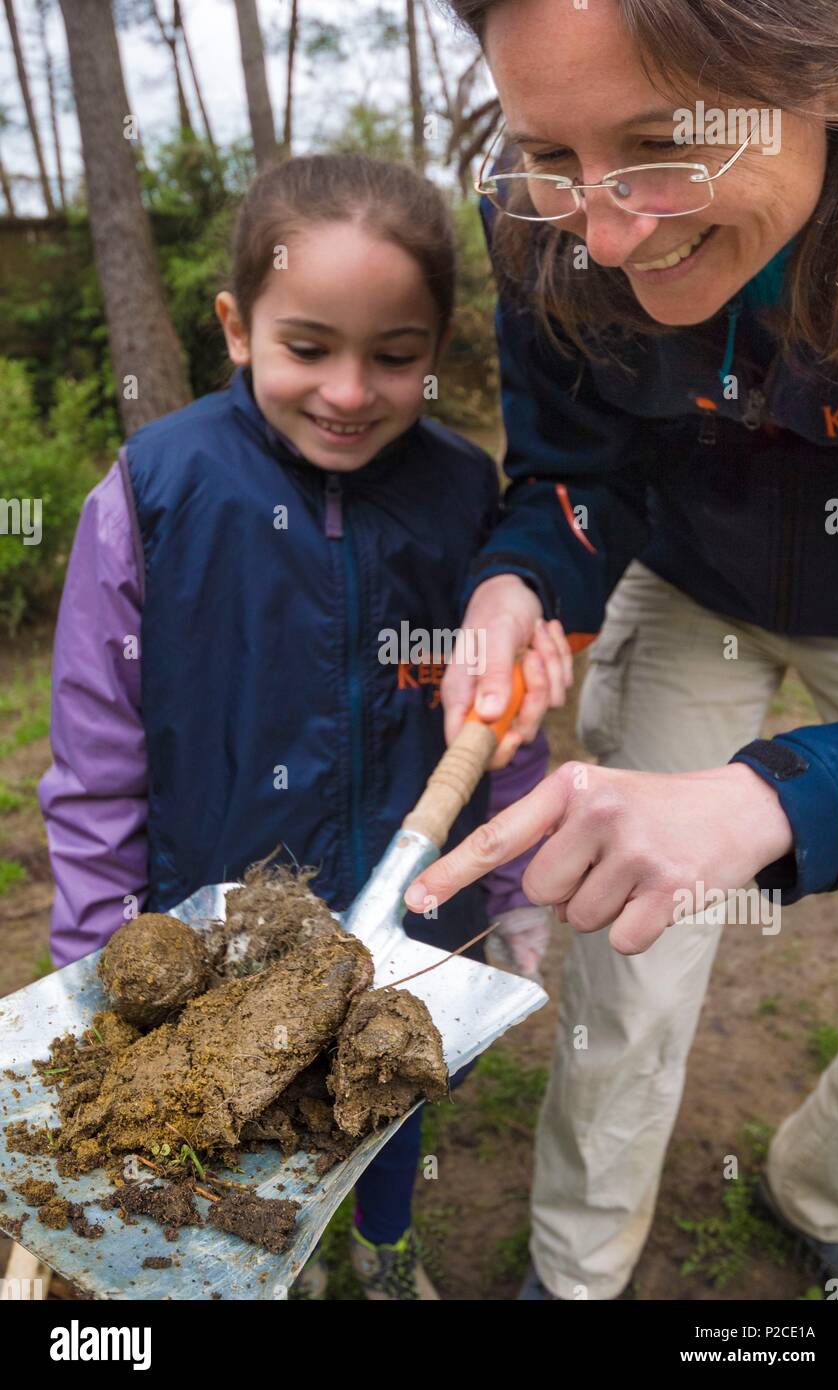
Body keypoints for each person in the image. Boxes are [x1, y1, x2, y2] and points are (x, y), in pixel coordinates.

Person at [405, 0, 838, 1300]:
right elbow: (576, 471)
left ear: (831, 77)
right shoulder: (536, 216)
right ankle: (576, 1273)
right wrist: (517, 575)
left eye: (665, 143)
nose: (606, 235)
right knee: (630, 950)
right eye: (554, 155)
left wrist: (778, 795)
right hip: (689, 583)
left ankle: (825, 1190)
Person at [38, 152, 556, 1301]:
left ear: (438, 348)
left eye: (396, 356)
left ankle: (383, 1249)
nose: (349, 391)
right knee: (237, 1120)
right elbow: (97, 758)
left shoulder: (469, 497)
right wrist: (93, 937)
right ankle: (279, 1258)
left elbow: (500, 720)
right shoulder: (154, 492)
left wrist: (513, 890)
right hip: (215, 910)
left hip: (408, 906)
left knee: (381, 1091)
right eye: (308, 347)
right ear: (237, 325)